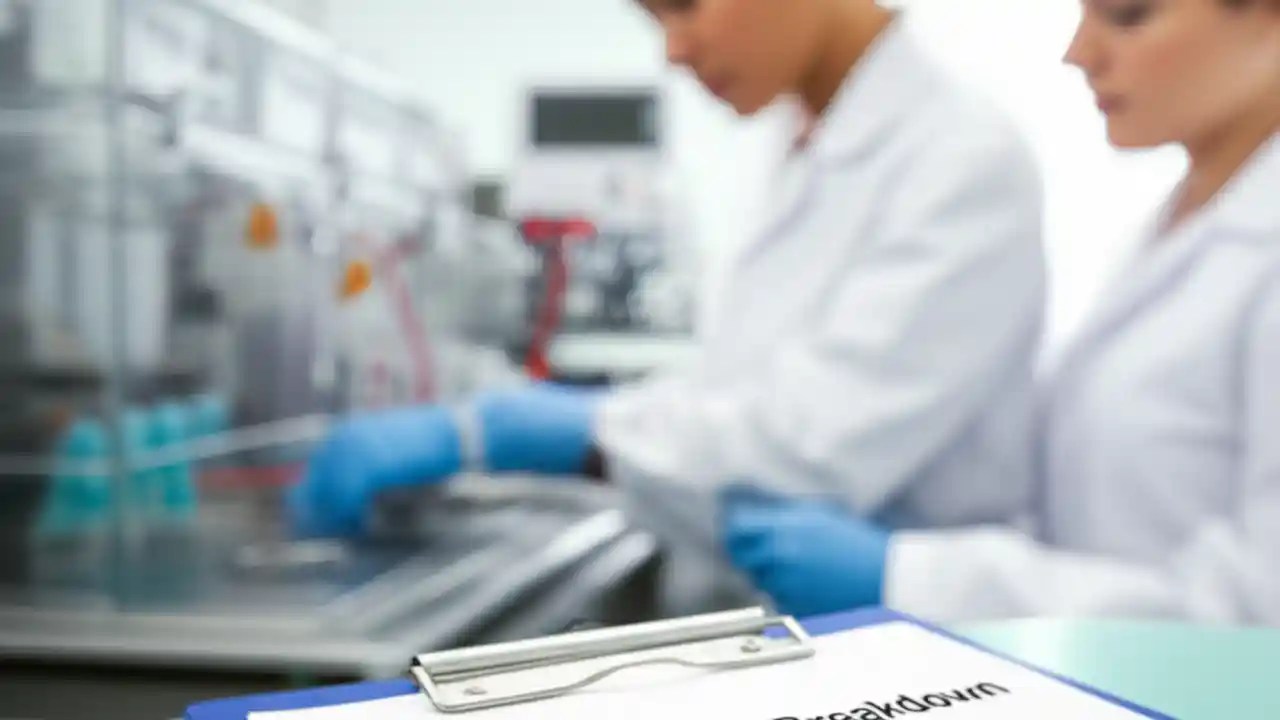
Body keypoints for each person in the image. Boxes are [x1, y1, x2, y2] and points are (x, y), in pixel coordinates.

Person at [292, 0, 1046, 612]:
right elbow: (743, 393)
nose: (672, 51)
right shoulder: (801, 143)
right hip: (777, 619)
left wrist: (551, 429)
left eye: (684, 7)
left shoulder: (957, 158)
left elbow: (813, 443)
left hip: (905, 646)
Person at [723, 0, 1280, 623]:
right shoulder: (1186, 223)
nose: (1077, 53)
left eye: (1127, 16)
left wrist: (911, 578)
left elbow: (1261, 612)